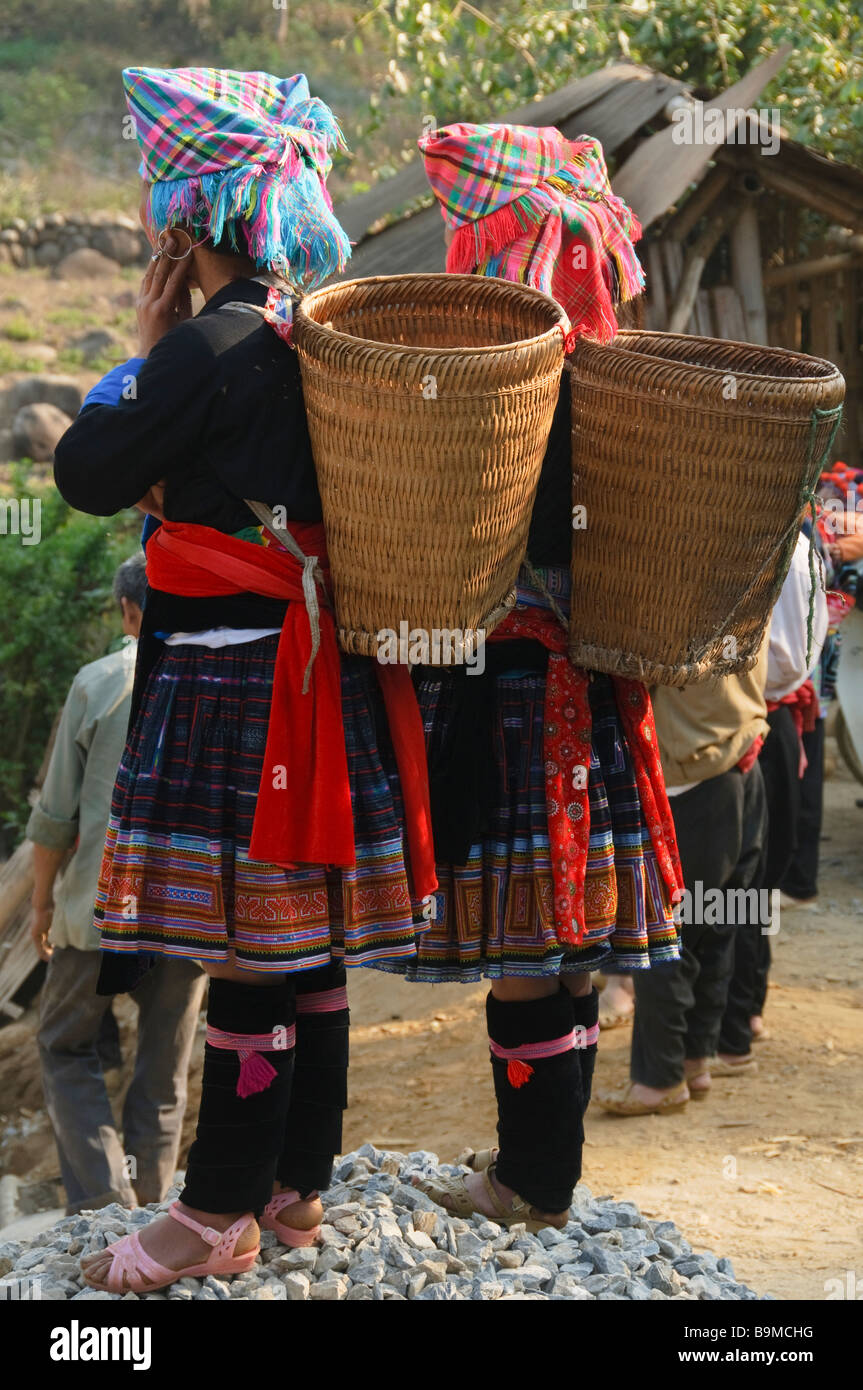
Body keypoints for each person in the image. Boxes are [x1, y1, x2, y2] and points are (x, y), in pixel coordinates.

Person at [52, 65, 435, 1293]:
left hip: (232, 684)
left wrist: (145, 352)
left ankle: (214, 1208)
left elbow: (87, 469)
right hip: (321, 673)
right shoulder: (314, 335)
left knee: (245, 950)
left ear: (184, 218)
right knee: (298, 937)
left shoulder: (208, 345)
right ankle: (292, 1184)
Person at [371, 122, 683, 1229]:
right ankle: (546, 1168)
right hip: (592, 691)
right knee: (569, 942)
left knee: (520, 944)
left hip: (512, 690)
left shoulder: (498, 393)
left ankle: (527, 1181)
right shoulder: (612, 384)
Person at [28, 554, 206, 1214]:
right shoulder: (220, 679)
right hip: (190, 912)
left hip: (100, 910)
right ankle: (153, 1209)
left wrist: (42, 905)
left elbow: (55, 818)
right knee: (162, 1068)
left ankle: (106, 1204)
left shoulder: (99, 682)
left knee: (64, 1045)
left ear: (129, 611)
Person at [718, 528, 828, 1060]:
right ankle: (745, 1010)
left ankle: (732, 1025)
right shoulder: (798, 547)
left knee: (737, 883)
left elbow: (784, 662)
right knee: (751, 883)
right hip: (770, 721)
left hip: (743, 724)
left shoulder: (761, 544)